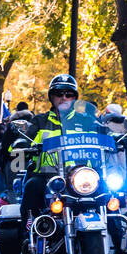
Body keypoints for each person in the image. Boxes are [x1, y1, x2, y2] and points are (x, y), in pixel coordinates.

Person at [16, 74, 94, 239]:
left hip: (80, 176)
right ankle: (27, 232)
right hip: (47, 175)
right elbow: (22, 139)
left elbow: (104, 135)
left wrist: (118, 140)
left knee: (109, 192)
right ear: (52, 97)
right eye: (59, 94)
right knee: (31, 186)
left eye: (69, 94)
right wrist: (22, 145)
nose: (64, 98)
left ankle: (121, 240)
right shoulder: (40, 121)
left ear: (74, 97)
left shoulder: (87, 121)